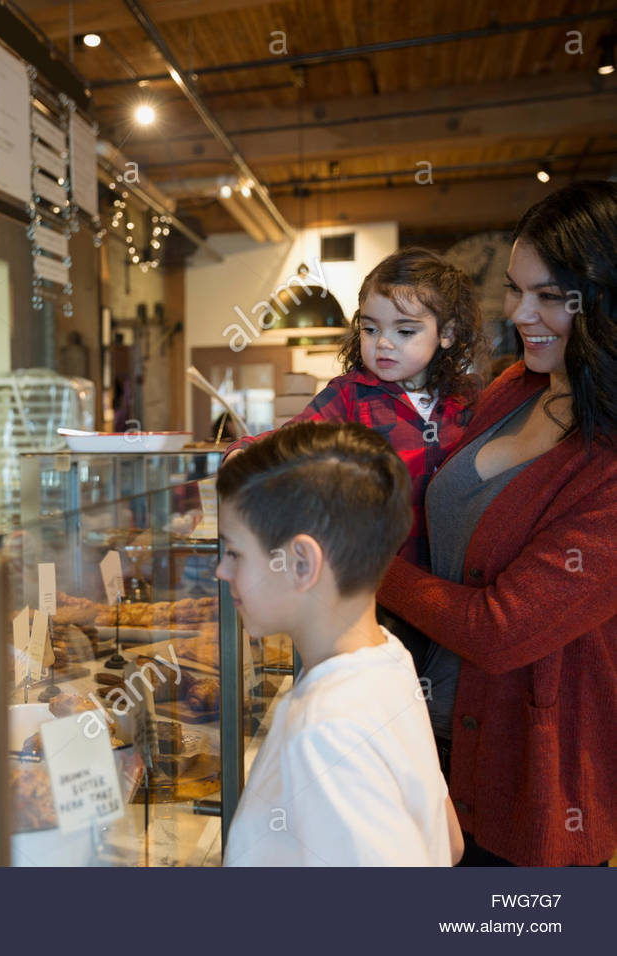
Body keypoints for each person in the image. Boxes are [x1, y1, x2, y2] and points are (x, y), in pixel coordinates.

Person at [376, 181, 617, 867]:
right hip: (430, 747)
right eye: (515, 290)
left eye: (548, 297)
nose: (519, 313)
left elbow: (501, 630)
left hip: (531, 783)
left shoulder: (607, 463)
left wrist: (364, 562)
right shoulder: (516, 388)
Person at [217, 422, 462, 866]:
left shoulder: (326, 733)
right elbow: (448, 837)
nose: (221, 571)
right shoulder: (387, 655)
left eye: (234, 553)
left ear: (300, 563)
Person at [228, 248, 482, 571]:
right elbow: (291, 441)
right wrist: (244, 454)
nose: (383, 343)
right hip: (376, 579)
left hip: (454, 580)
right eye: (371, 329)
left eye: (404, 331)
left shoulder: (469, 398)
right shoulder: (351, 395)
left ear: (446, 333)